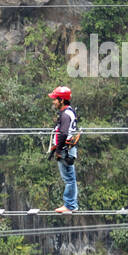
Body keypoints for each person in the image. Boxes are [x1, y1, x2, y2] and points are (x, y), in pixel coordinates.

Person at [46, 86, 80, 214]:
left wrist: (59, 150)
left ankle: (70, 205)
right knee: (70, 178)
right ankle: (71, 204)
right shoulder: (69, 112)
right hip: (67, 150)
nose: (53, 102)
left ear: (62, 100)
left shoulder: (65, 115)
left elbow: (64, 133)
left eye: (55, 99)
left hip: (65, 150)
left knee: (69, 179)